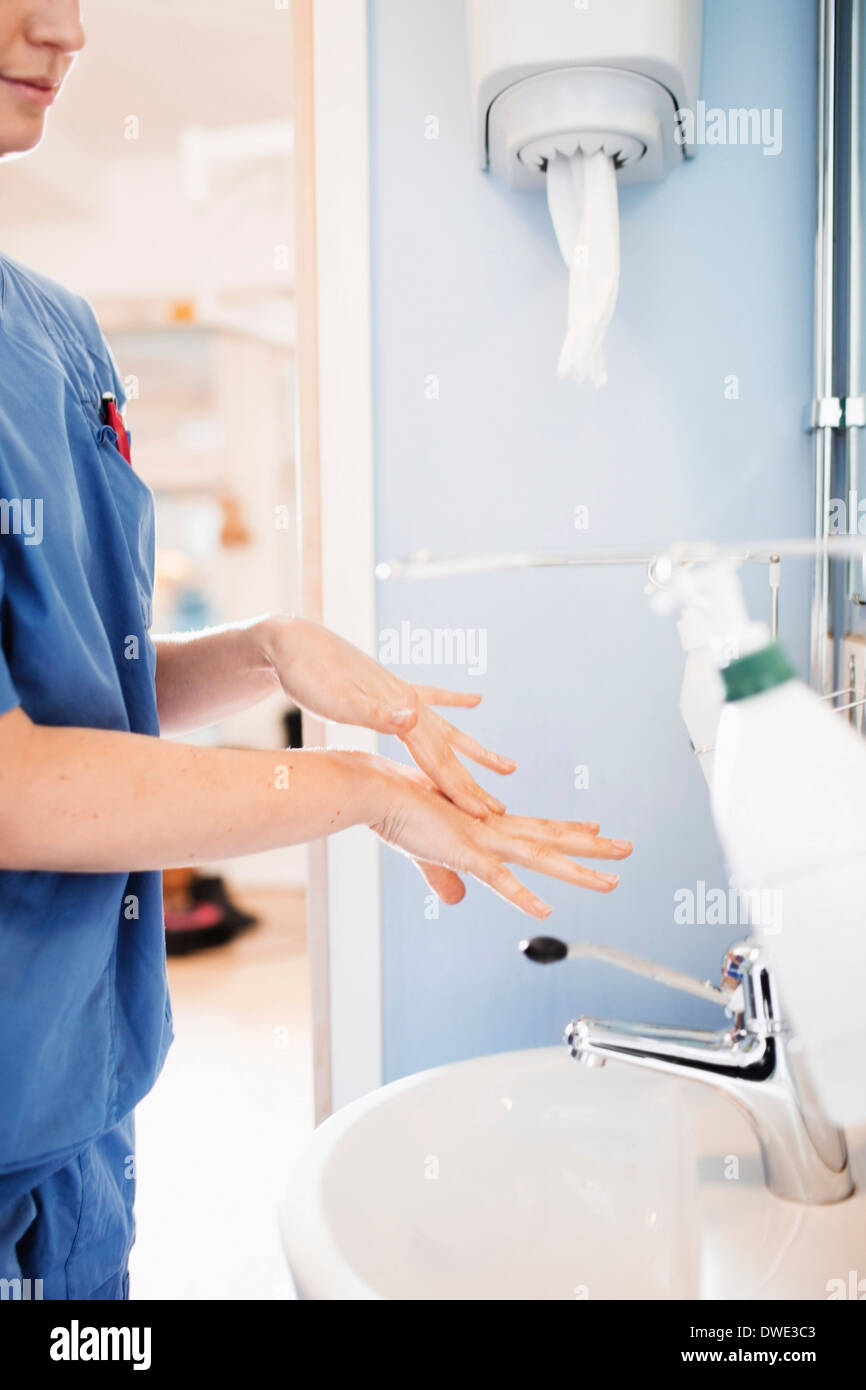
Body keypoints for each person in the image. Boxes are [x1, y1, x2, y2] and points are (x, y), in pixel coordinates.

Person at [0, 0, 632, 1301]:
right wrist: (357, 792)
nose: (64, 29)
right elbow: (13, 782)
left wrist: (267, 654)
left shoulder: (51, 328)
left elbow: (75, 688)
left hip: (75, 1105)